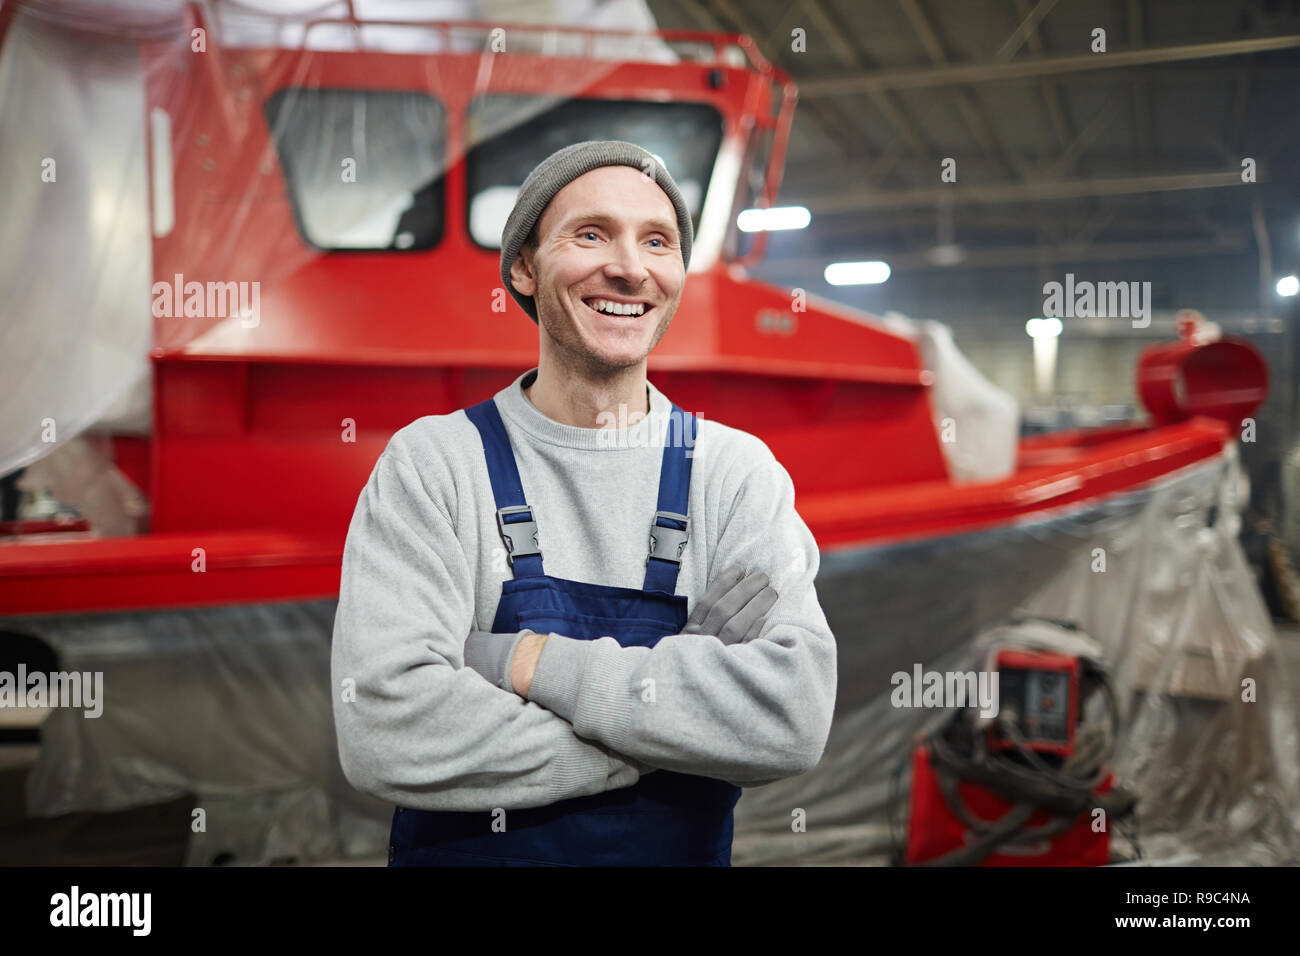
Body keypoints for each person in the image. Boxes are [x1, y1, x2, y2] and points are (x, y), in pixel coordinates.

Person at [331, 140, 837, 866]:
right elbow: (386, 730)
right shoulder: (435, 465)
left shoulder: (733, 474)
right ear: (524, 267)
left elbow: (791, 716)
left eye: (657, 242)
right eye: (592, 234)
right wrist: (666, 729)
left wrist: (527, 661)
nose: (630, 268)